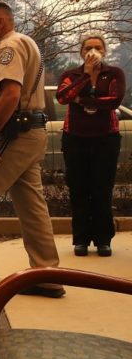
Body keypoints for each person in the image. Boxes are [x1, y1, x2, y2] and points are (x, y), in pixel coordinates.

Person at [0, 2, 64, 298]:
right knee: (32, 204)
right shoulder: (26, 42)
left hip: (12, 133)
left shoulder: (8, 47)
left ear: (2, 22)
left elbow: (11, 94)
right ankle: (47, 275)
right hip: (32, 132)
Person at [56, 34, 126, 257]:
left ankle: (104, 239)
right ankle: (81, 240)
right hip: (75, 137)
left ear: (104, 51)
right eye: (88, 47)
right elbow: (64, 96)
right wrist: (85, 76)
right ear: (81, 52)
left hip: (106, 137)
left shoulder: (114, 74)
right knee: (78, 189)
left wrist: (83, 100)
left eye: (97, 47)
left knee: (102, 189)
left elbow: (114, 100)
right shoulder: (72, 75)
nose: (92, 51)